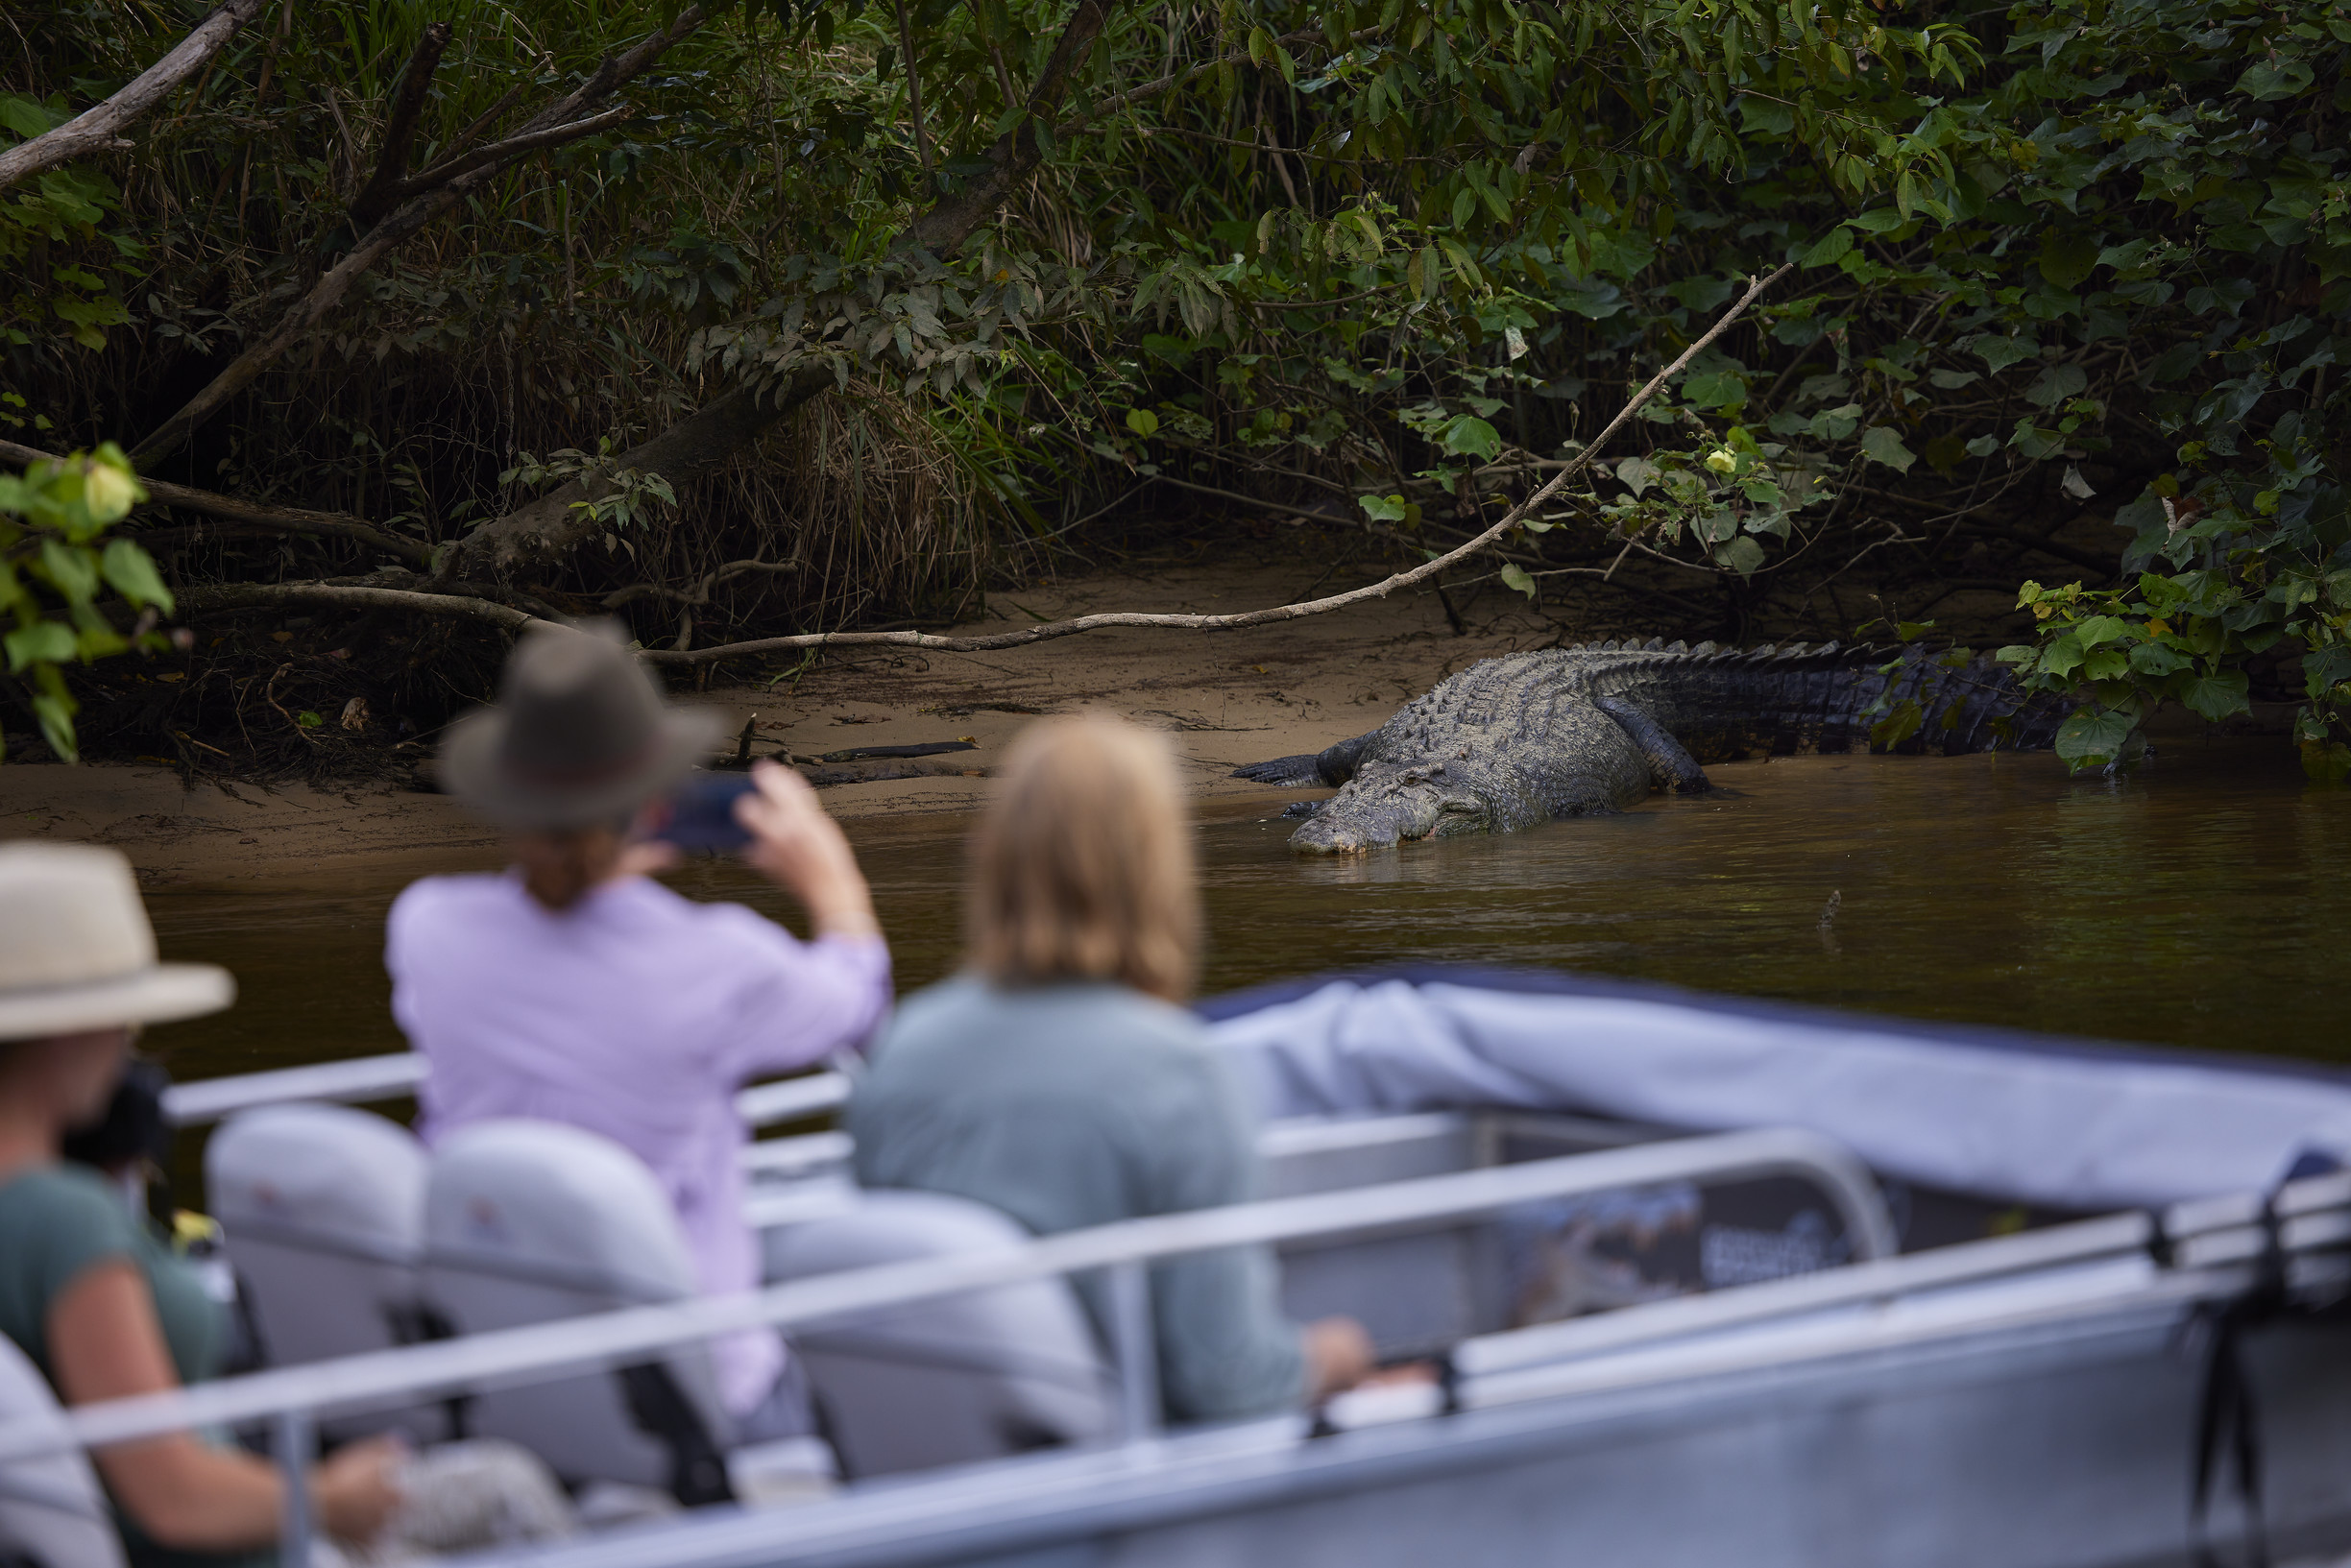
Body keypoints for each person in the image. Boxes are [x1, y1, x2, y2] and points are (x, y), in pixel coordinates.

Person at [0, 842, 570, 1568]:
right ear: (67, 1029)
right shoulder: (65, 1218)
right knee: (509, 1484)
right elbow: (172, 1498)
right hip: (247, 1547)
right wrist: (331, 1494)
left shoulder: (51, 1197)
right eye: (122, 1018)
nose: (126, 1046)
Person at [386, 622, 890, 1434]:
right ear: (655, 800)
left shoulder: (426, 929)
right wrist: (834, 885)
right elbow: (860, 1003)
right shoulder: (717, 959)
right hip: (697, 1390)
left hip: (500, 1374)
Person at [848, 714, 1378, 1424]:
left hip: (938, 1459)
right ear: (1155, 869)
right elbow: (1231, 1384)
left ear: (998, 857)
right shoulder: (1175, 1072)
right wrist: (1339, 1353)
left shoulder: (904, 1046)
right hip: (1118, 1480)